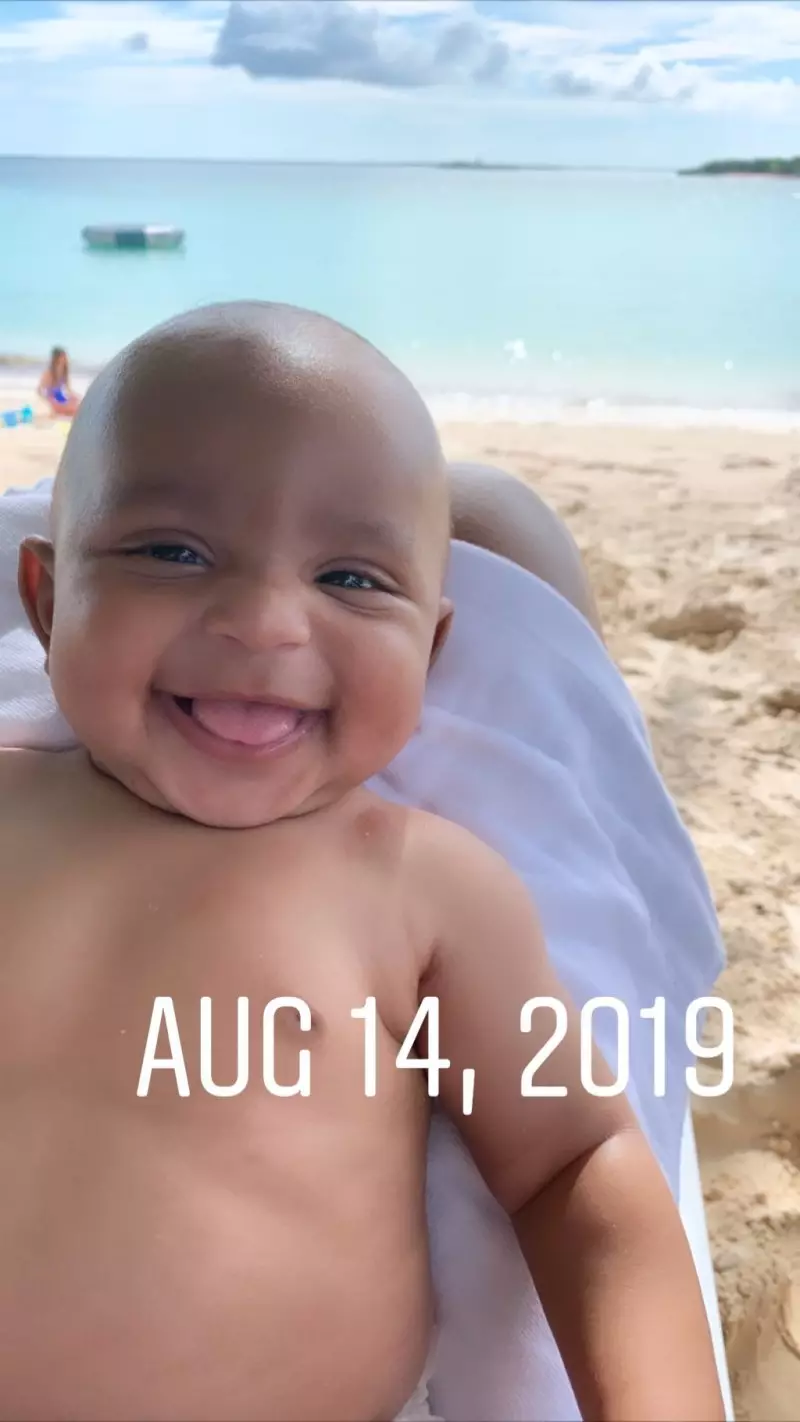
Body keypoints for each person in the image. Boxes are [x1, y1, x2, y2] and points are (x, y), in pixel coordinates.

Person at [0, 301, 724, 1422]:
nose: (262, 622)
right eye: (171, 551)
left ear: (431, 653)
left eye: (351, 579)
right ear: (45, 605)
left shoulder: (418, 888)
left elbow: (574, 1160)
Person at [37, 345, 81, 417]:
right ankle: (63, 411)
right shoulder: (49, 373)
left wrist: (77, 397)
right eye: (63, 356)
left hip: (61, 398)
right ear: (57, 358)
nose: (66, 358)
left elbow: (68, 389)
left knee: (78, 403)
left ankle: (66, 411)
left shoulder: (64, 372)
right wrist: (48, 403)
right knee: (76, 408)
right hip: (53, 401)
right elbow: (39, 390)